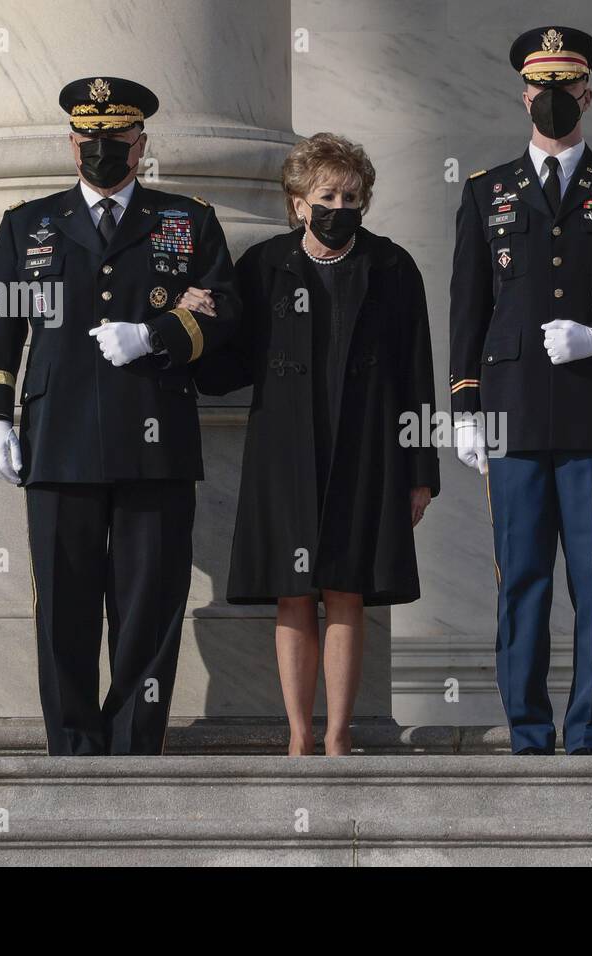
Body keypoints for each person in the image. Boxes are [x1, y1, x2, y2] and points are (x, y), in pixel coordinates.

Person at [0, 77, 238, 755]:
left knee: (149, 605)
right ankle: (73, 750)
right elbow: (1, 329)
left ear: (139, 142)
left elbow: (226, 315)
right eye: (88, 140)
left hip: (155, 436)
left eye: (115, 140)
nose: (101, 151)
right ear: (70, 143)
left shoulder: (188, 220)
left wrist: (155, 335)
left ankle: (132, 751)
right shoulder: (27, 223)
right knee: (63, 607)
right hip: (57, 438)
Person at [449, 26, 592, 755]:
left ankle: (589, 735)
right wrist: (463, 404)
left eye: (565, 87)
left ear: (587, 91)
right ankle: (527, 733)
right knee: (520, 583)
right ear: (524, 94)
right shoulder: (487, 192)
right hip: (512, 415)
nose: (552, 99)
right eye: (540, 88)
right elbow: (468, 305)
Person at [188, 133, 440, 757]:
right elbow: (229, 367)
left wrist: (421, 470)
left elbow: (418, 372)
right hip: (286, 454)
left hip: (366, 452)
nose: (339, 205)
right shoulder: (265, 266)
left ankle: (337, 733)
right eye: (326, 194)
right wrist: (195, 322)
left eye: (351, 195)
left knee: (347, 590)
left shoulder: (392, 267)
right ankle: (299, 735)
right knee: (293, 591)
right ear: (298, 203)